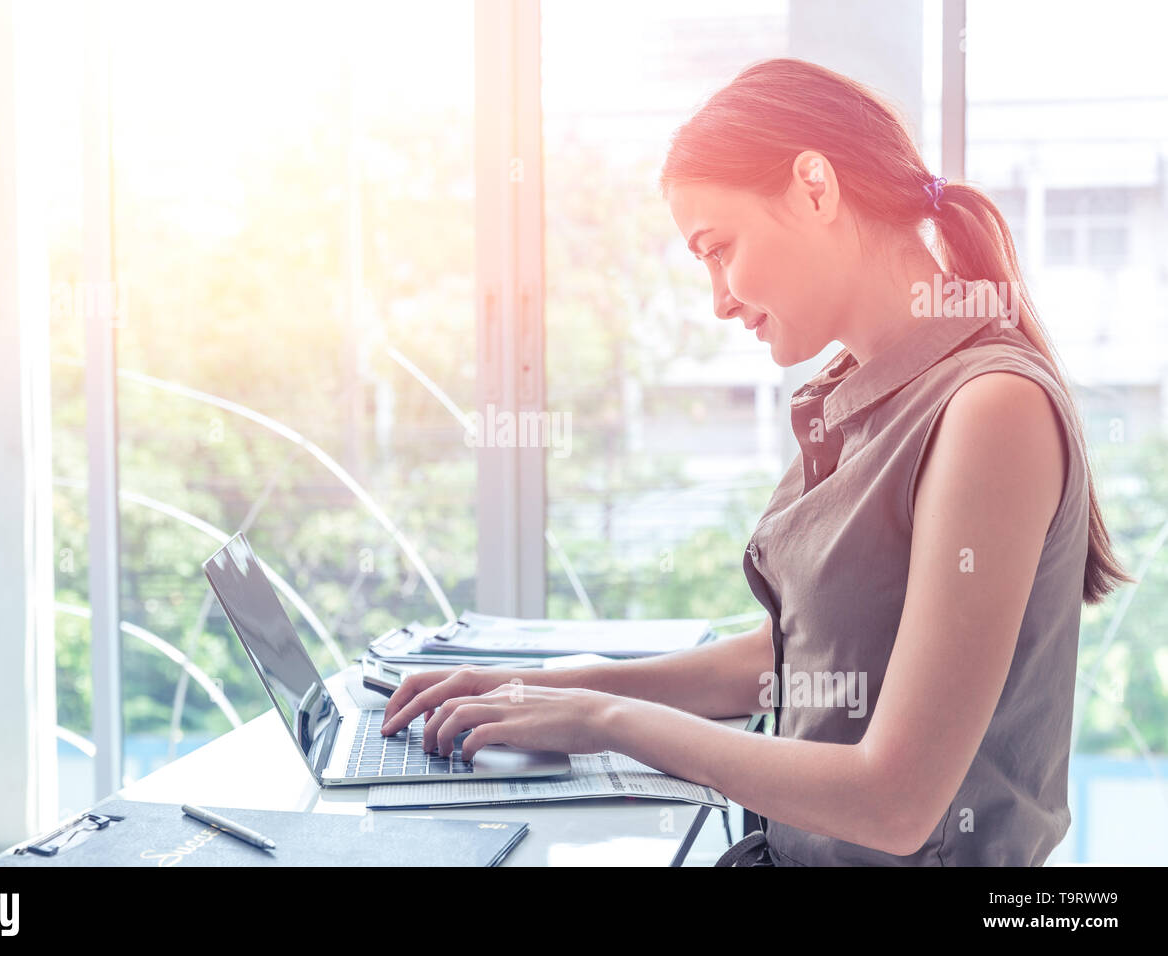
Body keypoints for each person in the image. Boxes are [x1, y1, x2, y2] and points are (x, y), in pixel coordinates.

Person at [379, 57, 1135, 866]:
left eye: (719, 249)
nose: (719, 299)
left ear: (815, 188)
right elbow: (789, 658)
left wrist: (605, 722)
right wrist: (551, 688)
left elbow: (898, 802)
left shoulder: (990, 409)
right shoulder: (861, 391)